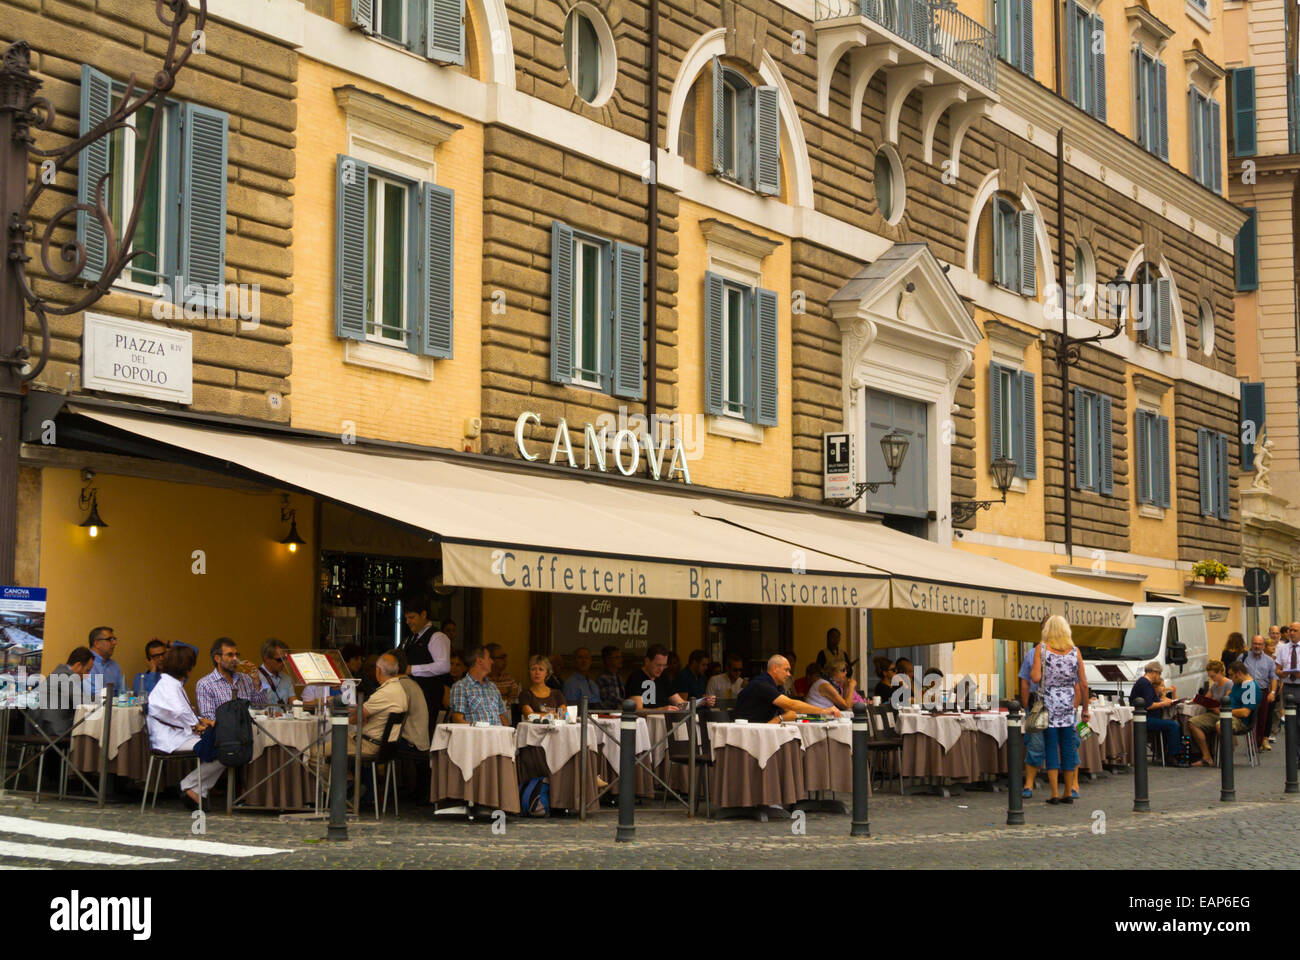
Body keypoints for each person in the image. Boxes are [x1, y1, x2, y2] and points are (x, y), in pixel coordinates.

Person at [146, 644, 223, 809]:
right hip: (171, 739)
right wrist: (197, 724)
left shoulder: (171, 683)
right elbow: (179, 711)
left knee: (224, 748)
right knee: (225, 750)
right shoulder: (169, 685)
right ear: (187, 667)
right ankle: (190, 786)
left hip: (176, 735)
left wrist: (199, 721)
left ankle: (196, 790)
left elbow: (180, 712)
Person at [1030, 615, 1090, 804]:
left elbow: (1035, 677)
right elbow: (1083, 683)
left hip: (1048, 704)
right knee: (1068, 747)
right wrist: (1085, 709)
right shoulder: (1075, 651)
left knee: (1050, 747)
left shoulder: (1042, 649)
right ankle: (1069, 791)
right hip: (1068, 705)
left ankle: (1054, 793)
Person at [733, 654, 841, 723]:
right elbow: (791, 704)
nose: (789, 674)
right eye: (786, 670)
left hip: (762, 728)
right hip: (746, 731)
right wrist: (824, 711)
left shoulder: (778, 686)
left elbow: (790, 711)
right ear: (775, 668)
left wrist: (780, 718)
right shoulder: (761, 684)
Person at [400, 598, 451, 721]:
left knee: (424, 735)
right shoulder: (409, 639)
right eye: (406, 618)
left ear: (423, 615)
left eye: (411, 617)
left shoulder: (437, 637)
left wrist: (412, 669)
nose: (408, 622)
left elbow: (443, 666)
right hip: (410, 697)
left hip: (428, 697)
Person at [30, 646, 94, 741]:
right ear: (78, 665)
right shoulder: (65, 676)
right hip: (52, 728)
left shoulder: (60, 672)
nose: (87, 675)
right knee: (90, 735)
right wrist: (102, 700)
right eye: (87, 670)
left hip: (41, 725)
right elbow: (81, 701)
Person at [194, 637, 267, 720]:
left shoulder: (246, 679)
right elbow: (209, 718)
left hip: (248, 731)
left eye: (236, 655)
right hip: (223, 732)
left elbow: (260, 708)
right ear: (217, 658)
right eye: (230, 655)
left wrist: (256, 682)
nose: (235, 659)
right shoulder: (205, 684)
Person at [627, 644, 713, 711]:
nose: (661, 669)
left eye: (664, 666)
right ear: (647, 661)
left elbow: (681, 704)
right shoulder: (636, 677)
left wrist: (702, 701)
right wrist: (661, 710)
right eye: (658, 665)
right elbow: (637, 710)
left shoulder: (663, 677)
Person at [1129, 661, 1182, 763]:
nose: (1159, 677)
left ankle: (1165, 753)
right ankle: (1172, 755)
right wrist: (1164, 704)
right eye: (1159, 674)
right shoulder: (1145, 684)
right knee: (1173, 725)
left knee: (1170, 724)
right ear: (1154, 672)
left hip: (1147, 717)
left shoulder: (1143, 682)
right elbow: (1149, 705)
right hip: (1146, 719)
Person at [450, 644, 510, 725]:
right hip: (476, 736)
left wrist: (510, 734)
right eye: (489, 658)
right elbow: (457, 720)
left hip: (498, 735)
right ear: (479, 661)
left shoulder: (493, 687)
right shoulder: (461, 687)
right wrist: (478, 729)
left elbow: (501, 716)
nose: (492, 661)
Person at [1187, 660, 1232, 766]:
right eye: (1210, 676)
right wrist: (1198, 700)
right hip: (1213, 713)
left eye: (1213, 676)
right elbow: (1206, 698)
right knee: (1192, 722)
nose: (1212, 678)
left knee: (1220, 726)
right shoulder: (1214, 685)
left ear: (1221, 672)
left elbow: (1228, 701)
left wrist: (1215, 706)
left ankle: (1226, 755)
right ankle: (1206, 756)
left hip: (1223, 714)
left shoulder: (1229, 684)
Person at [1018, 643, 1046, 798]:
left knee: (1069, 742)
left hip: (1046, 704)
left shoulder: (1069, 651)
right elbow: (1026, 680)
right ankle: (1029, 783)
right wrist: (1025, 705)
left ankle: (1070, 785)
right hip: (1038, 704)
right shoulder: (1033, 653)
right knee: (1036, 743)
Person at [1241, 635, 1278, 750]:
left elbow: (1274, 677)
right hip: (1247, 690)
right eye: (1255, 644)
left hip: (1262, 691)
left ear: (1263, 646)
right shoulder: (1243, 657)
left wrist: (1272, 692)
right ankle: (1251, 743)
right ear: (1251, 644)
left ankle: (1259, 742)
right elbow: (1235, 672)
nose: (1257, 646)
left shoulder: (1269, 660)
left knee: (1262, 718)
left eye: (1259, 644)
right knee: (1249, 718)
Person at [85, 626, 124, 697]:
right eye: (110, 639)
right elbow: (93, 696)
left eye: (114, 639)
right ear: (97, 643)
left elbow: (123, 692)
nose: (114, 643)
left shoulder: (115, 666)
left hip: (115, 707)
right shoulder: (86, 663)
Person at [256, 638, 294, 707]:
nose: (284, 663)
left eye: (285, 659)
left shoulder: (287, 678)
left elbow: (294, 701)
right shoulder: (255, 677)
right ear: (266, 658)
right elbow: (252, 706)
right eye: (279, 660)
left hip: (282, 717)